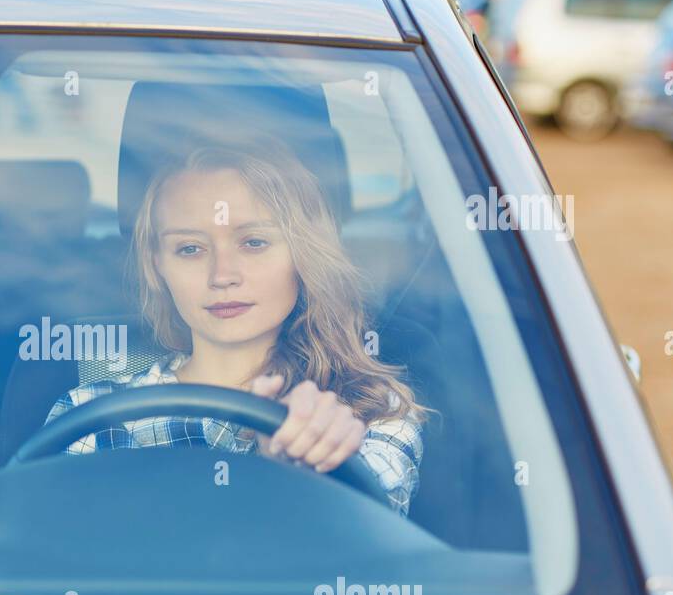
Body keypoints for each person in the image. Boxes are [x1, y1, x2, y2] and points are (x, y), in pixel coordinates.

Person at [43, 139, 430, 516]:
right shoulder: (89, 415)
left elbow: (371, 539)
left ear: (302, 254)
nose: (222, 275)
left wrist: (296, 477)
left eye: (253, 242)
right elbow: (46, 544)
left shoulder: (368, 413)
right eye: (190, 248)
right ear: (156, 266)